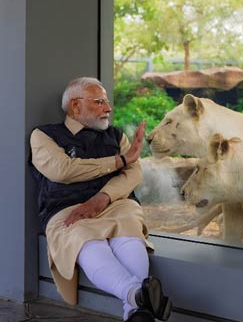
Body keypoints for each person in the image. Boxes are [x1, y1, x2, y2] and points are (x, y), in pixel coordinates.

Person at [29, 77, 171, 322]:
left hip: (116, 203)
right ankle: (137, 296)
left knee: (128, 230)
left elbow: (134, 173)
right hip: (66, 211)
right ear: (75, 106)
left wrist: (103, 197)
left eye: (106, 102)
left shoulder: (116, 136)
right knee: (84, 240)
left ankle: (135, 306)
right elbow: (63, 170)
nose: (108, 108)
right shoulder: (43, 135)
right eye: (99, 102)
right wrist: (119, 160)